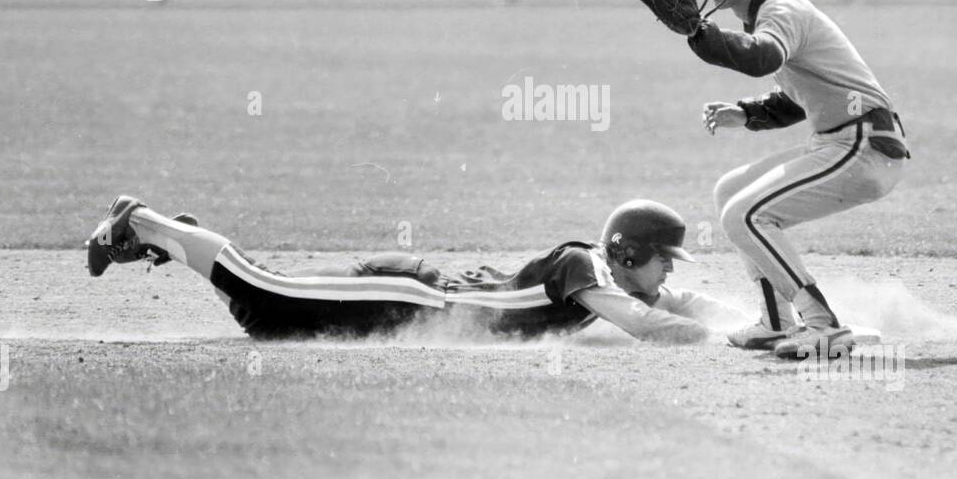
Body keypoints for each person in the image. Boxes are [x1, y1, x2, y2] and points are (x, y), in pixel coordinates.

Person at [675, 0, 911, 358]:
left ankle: (823, 325)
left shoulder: (782, 9)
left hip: (865, 146)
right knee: (732, 191)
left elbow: (761, 59)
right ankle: (776, 321)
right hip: (841, 142)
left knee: (745, 215)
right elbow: (797, 96)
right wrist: (745, 114)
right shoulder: (765, 14)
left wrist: (700, 33)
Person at [84, 195, 736, 344]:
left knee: (267, 325)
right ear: (627, 255)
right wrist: (722, 344)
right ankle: (141, 222)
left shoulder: (614, 273)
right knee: (267, 295)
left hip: (413, 299)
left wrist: (758, 324)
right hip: (410, 295)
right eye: (661, 260)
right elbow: (647, 324)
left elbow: (681, 303)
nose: (666, 273)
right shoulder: (583, 267)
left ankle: (178, 241)